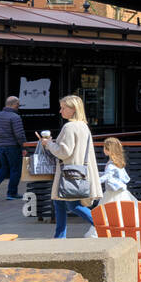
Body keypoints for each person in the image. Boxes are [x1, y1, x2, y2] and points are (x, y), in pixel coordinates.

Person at [44, 95, 102, 239]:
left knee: (73, 205)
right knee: (59, 202)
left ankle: (102, 225)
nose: (60, 111)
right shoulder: (83, 126)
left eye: (63, 107)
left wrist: (48, 144)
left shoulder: (69, 127)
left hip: (69, 173)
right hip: (78, 172)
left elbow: (64, 152)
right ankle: (59, 237)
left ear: (73, 109)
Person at [0, 95, 26, 200]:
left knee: (4, 167)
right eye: (18, 105)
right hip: (12, 147)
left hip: (0, 147)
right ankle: (11, 193)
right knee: (15, 169)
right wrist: (24, 147)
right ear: (16, 105)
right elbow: (19, 135)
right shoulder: (15, 117)